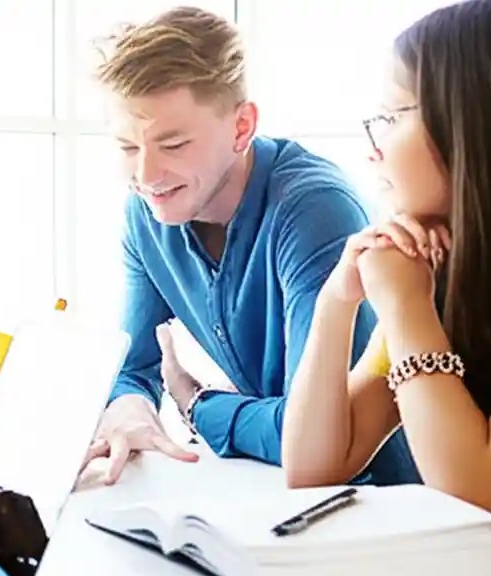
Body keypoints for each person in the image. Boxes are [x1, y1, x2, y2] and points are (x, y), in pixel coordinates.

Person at [282, 0, 491, 568]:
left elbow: (479, 497)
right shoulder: (448, 260)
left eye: (390, 117)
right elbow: (314, 467)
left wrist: (405, 306)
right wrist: (338, 300)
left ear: (475, 122)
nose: (372, 148)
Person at [80, 6, 415, 486]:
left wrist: (198, 405)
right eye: (128, 147)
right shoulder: (147, 211)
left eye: (173, 145)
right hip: (268, 490)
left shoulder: (316, 210)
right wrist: (128, 408)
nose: (146, 175)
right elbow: (131, 368)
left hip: (377, 501)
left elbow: (314, 435)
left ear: (241, 127)